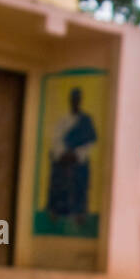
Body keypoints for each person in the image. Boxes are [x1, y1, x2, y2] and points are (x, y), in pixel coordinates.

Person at [46, 86, 97, 227]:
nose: (75, 102)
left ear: (80, 101)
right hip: (62, 159)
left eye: (77, 99)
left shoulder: (86, 120)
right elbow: (56, 139)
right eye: (73, 99)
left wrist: (76, 154)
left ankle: (79, 214)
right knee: (58, 180)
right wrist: (62, 153)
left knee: (79, 183)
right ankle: (56, 212)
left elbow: (90, 141)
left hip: (78, 161)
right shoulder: (64, 119)